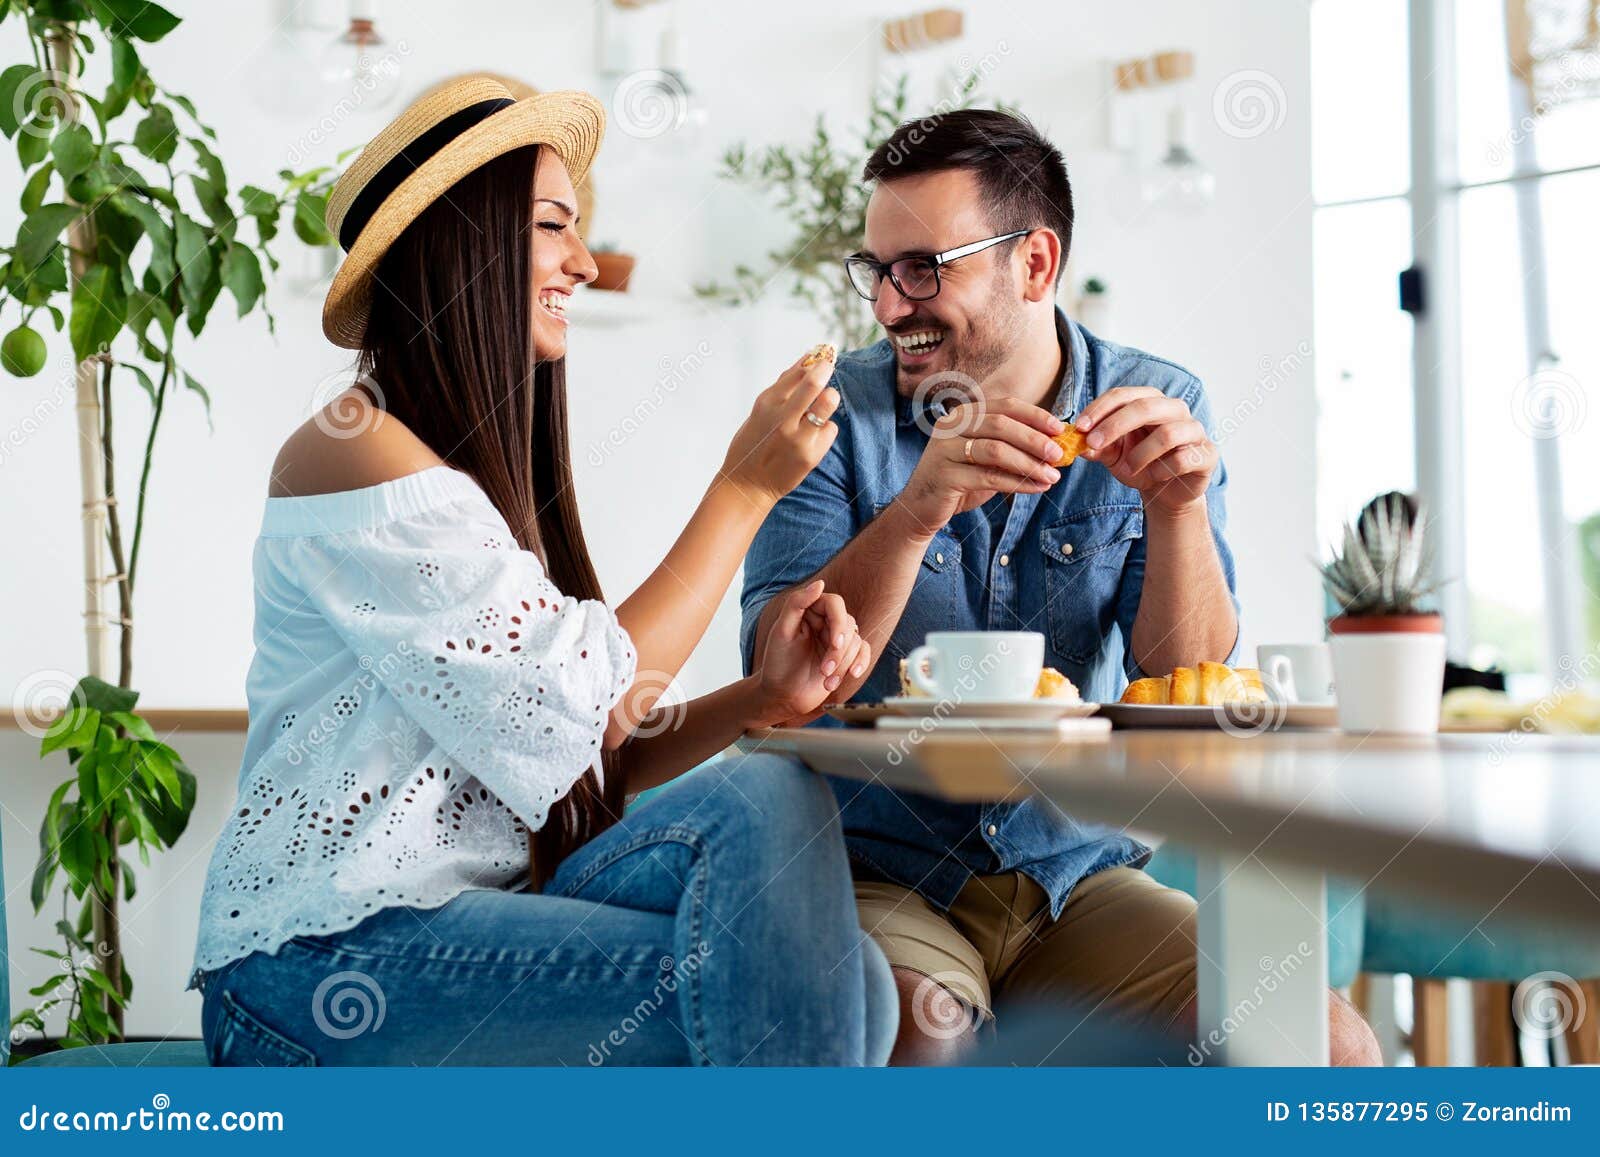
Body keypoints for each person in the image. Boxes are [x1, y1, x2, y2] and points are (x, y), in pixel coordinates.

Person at [189, 78, 895, 1066]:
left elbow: (583, 749)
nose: (586, 261)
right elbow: (566, 703)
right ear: (460, 241)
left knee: (847, 960)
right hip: (312, 970)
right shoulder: (351, 449)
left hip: (459, 925)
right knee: (780, 923)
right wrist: (742, 489)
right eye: (553, 225)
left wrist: (759, 697)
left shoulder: (462, 483)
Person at [740, 109, 1380, 1065]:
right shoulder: (833, 418)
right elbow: (775, 679)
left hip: (1070, 873)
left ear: (1034, 265)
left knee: (1323, 1045)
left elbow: (1190, 678)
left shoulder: (1163, 403)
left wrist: (1178, 510)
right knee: (925, 1034)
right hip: (873, 866)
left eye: (923, 269)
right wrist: (915, 512)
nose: (887, 305)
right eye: (876, 271)